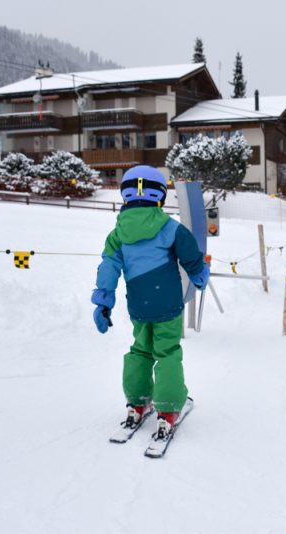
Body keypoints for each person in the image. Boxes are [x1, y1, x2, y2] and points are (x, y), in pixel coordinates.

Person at [91, 165, 209, 443]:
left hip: (139, 306)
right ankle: (168, 408)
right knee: (167, 352)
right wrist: (199, 275)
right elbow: (190, 253)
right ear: (160, 196)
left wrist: (104, 300)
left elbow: (108, 266)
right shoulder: (170, 228)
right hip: (168, 304)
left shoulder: (118, 234)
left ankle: (137, 401)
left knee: (141, 350)